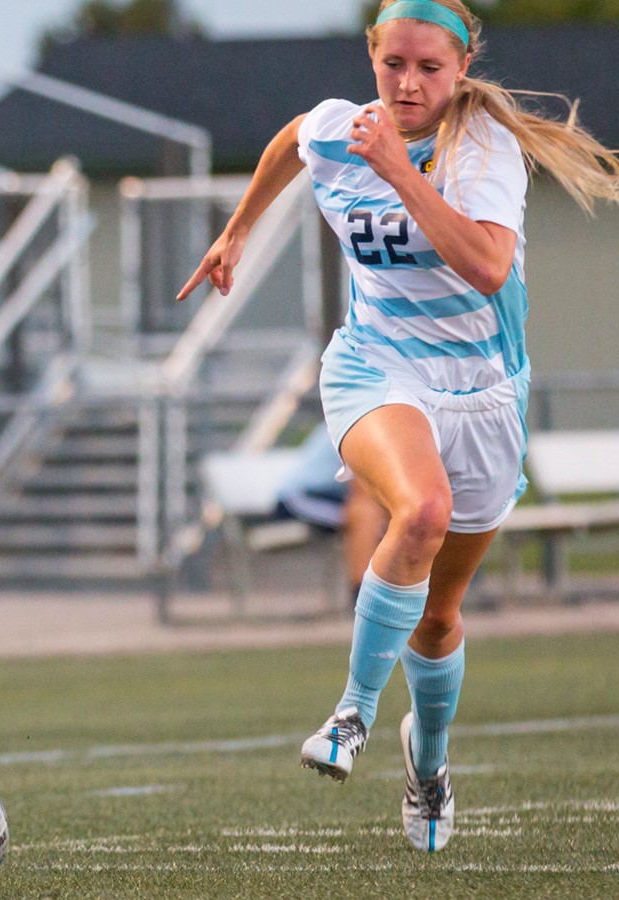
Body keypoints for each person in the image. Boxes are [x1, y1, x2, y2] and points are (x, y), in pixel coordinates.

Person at [178, 0, 619, 853]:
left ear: (460, 69)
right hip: (376, 368)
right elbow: (291, 139)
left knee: (440, 618)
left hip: (485, 394)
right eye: (394, 66)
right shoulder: (344, 128)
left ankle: (430, 762)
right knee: (417, 510)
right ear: (373, 59)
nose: (409, 84)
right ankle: (353, 713)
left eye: (429, 68)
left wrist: (399, 171)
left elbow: (489, 267)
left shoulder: (482, 148)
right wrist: (236, 231)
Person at [274, 425, 387, 607]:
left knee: (375, 515)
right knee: (365, 514)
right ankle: (362, 595)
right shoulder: (358, 424)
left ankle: (376, 591)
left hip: (329, 494)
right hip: (300, 497)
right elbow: (361, 488)